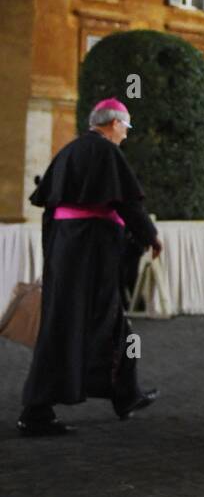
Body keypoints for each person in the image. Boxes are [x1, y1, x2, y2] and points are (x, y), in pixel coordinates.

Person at [17, 98, 162, 437]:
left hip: (70, 250)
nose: (126, 134)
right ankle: (35, 411)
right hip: (90, 253)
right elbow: (127, 202)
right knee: (65, 328)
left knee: (112, 323)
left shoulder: (69, 151)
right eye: (126, 126)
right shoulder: (106, 152)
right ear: (113, 123)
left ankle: (126, 394)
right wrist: (150, 236)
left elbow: (50, 209)